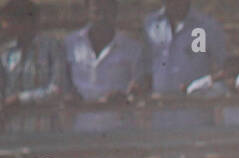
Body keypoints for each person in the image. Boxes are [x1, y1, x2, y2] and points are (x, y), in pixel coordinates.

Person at [65, 0, 146, 132]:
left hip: (119, 131)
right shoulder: (70, 44)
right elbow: (65, 84)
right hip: (80, 130)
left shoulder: (132, 48)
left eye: (107, 12)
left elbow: (138, 89)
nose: (102, 18)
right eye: (97, 12)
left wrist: (125, 96)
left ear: (115, 11)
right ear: (87, 10)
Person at [0, 0, 66, 132]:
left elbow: (56, 90)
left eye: (9, 21)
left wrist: (20, 99)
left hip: (45, 133)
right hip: (12, 133)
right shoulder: (6, 53)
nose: (5, 26)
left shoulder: (51, 48)